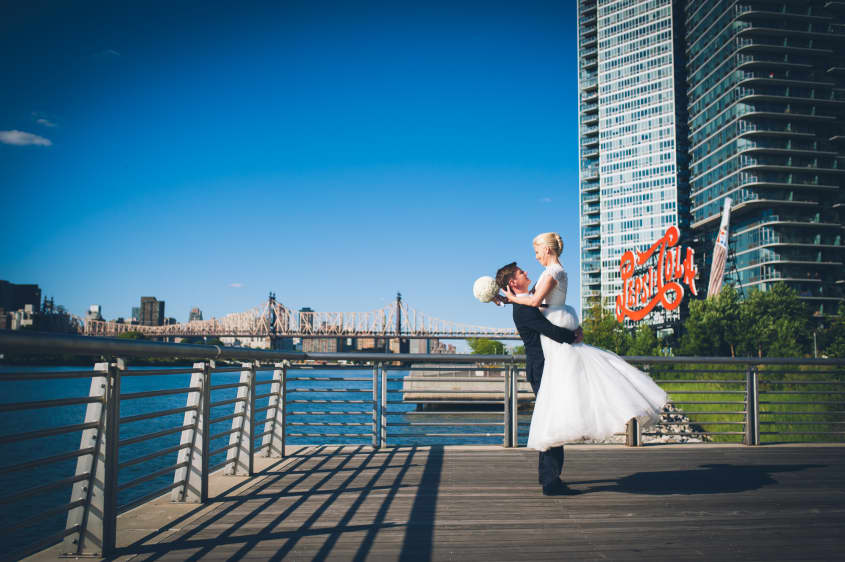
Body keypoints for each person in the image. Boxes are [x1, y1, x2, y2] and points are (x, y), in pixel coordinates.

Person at [502, 232, 667, 456]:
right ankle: (552, 473)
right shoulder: (550, 273)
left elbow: (534, 302)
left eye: (537, 251)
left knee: (556, 408)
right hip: (550, 347)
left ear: (547, 250)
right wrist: (505, 299)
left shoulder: (553, 273)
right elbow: (536, 305)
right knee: (557, 407)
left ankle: (553, 470)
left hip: (555, 345)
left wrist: (508, 298)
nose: (536, 257)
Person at [495, 261, 583, 496]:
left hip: (544, 366)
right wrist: (573, 334)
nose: (527, 273)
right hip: (542, 367)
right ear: (514, 282)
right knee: (553, 421)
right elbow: (551, 331)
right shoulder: (524, 308)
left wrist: (503, 297)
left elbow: (536, 299)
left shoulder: (524, 301)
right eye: (521, 272)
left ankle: (549, 477)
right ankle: (550, 482)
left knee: (552, 419)